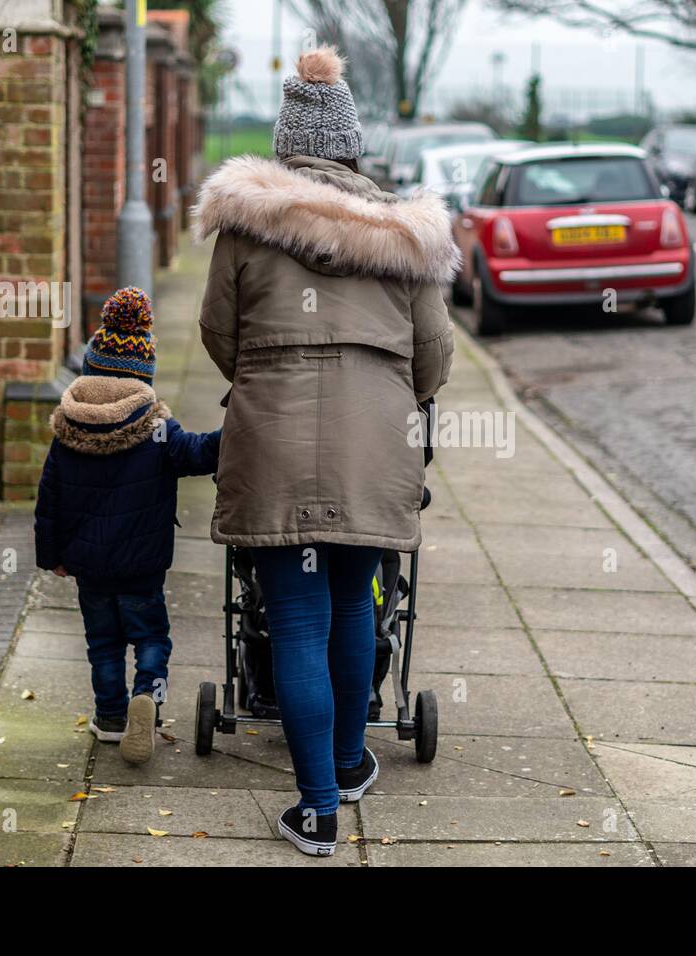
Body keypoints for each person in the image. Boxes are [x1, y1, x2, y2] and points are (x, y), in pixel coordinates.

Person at [194, 45, 456, 856]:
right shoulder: (405, 237)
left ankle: (317, 811)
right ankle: (346, 762)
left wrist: (269, 377)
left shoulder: (242, 231)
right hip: (374, 446)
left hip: (272, 440)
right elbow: (434, 357)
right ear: (353, 147)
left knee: (295, 619)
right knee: (353, 605)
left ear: (283, 147)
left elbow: (218, 336)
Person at [34, 287, 221, 765]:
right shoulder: (157, 428)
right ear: (145, 376)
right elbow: (200, 454)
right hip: (142, 566)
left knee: (103, 643)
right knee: (152, 638)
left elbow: (49, 500)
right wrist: (237, 426)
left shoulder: (68, 429)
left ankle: (111, 717)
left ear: (91, 369)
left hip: (88, 566)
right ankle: (149, 702)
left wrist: (50, 557)